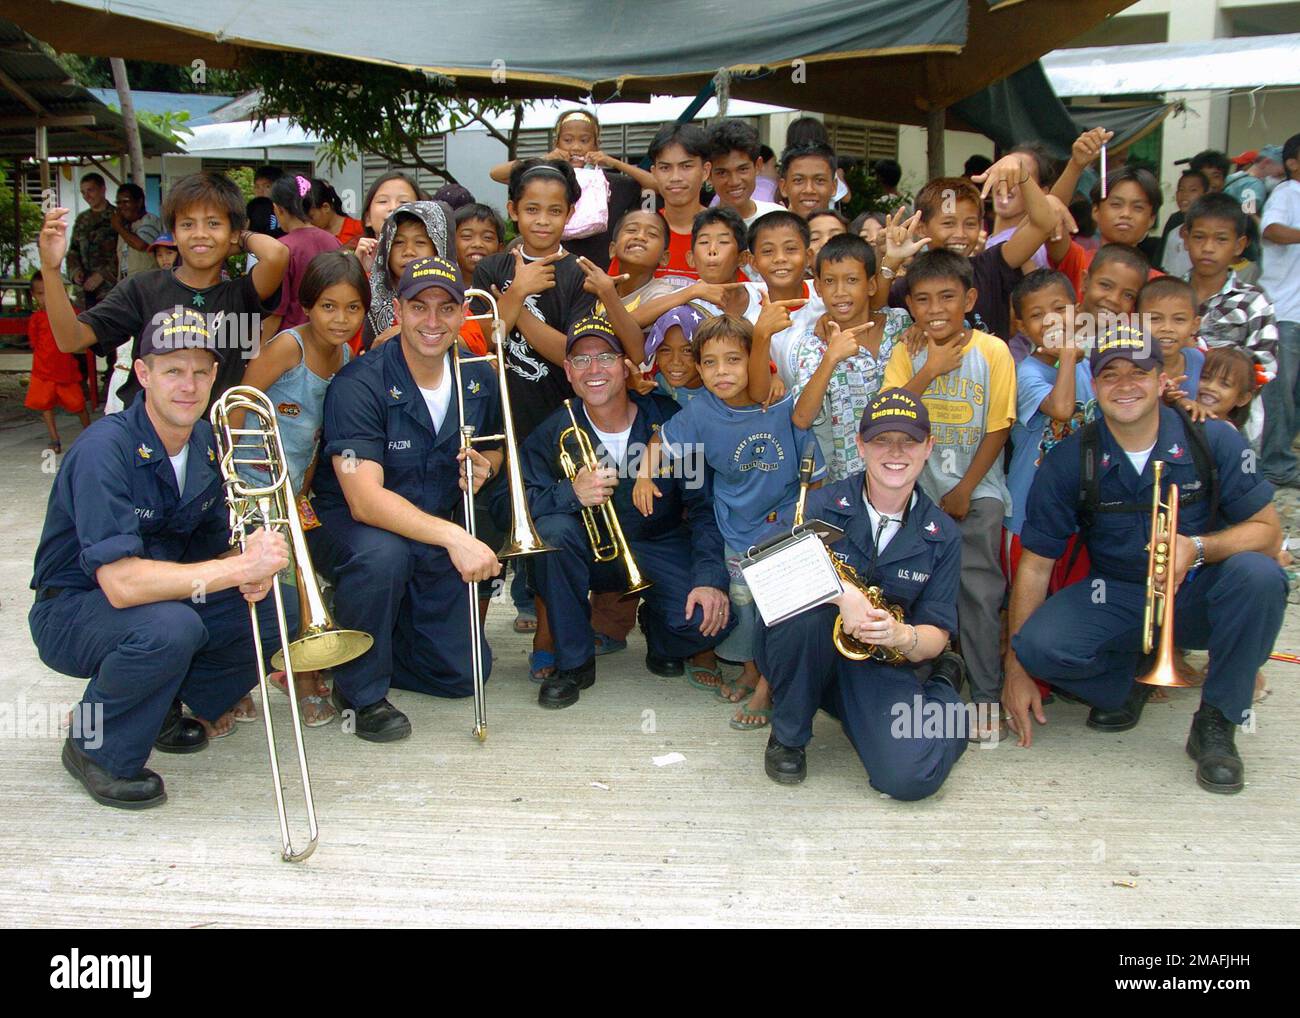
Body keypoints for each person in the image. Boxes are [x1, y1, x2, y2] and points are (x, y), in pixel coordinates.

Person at [1003, 325, 1286, 794]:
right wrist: (1016, 669)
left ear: (1162, 380)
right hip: (1118, 594)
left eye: (1140, 372)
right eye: (1110, 374)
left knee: (1260, 576)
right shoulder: (1073, 457)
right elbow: (1035, 565)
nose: (1125, 384)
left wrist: (1197, 548)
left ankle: (1217, 722)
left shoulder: (1213, 439)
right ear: (1094, 385)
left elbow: (1268, 531)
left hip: (1197, 591)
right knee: (1039, 646)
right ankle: (1132, 678)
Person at [28, 321, 293, 809]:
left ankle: (161, 703)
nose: (188, 385)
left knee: (283, 606)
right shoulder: (102, 450)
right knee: (170, 628)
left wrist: (250, 564)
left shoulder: (209, 444)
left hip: (163, 599)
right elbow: (122, 585)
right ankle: (95, 747)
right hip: (74, 609)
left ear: (215, 375)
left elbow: (215, 552)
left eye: (199, 371)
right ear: (143, 374)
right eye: (173, 371)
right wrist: (235, 570)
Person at [305, 257, 502, 742]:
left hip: (426, 523)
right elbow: (364, 502)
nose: (432, 322)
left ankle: (368, 630)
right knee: (382, 556)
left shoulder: (477, 375)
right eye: (419, 307)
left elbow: (495, 446)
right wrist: (455, 536)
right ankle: (360, 692)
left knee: (461, 676)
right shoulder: (359, 384)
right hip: (350, 526)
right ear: (397, 310)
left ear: (463, 315)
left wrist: (487, 465)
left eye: (446, 308)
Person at [757, 388, 968, 795]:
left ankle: (942, 696)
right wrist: (841, 595)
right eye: (881, 440)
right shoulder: (819, 506)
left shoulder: (943, 534)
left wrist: (899, 635)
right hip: (806, 651)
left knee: (908, 778)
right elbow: (762, 565)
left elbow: (935, 636)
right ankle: (789, 736)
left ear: (929, 447)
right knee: (806, 615)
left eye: (909, 441)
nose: (896, 452)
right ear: (860, 445)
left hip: (877, 665)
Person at [522, 316, 733, 707]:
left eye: (605, 357)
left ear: (626, 365)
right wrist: (570, 492)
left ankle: (658, 627)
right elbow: (519, 505)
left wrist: (709, 578)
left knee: (711, 622)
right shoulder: (553, 430)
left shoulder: (668, 418)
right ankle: (574, 664)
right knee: (552, 534)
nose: (594, 369)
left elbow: (704, 506)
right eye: (581, 361)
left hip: (658, 543)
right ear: (568, 371)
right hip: (586, 551)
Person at [636, 314, 827, 729]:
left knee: (780, 605)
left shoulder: (780, 405)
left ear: (756, 361)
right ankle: (752, 667)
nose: (721, 372)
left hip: (783, 526)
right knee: (744, 602)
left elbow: (817, 472)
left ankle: (766, 684)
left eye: (733, 360)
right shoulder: (701, 410)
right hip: (734, 523)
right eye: (709, 362)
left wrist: (810, 526)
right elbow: (660, 440)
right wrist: (645, 474)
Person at [884, 249, 1017, 736]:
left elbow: (998, 428)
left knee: (978, 594)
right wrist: (930, 368)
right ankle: (915, 690)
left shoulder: (993, 352)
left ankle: (985, 697)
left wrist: (964, 489)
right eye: (922, 299)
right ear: (911, 305)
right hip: (914, 495)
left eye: (947, 296)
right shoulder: (908, 350)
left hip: (976, 493)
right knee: (911, 591)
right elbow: (890, 414)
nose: (935, 308)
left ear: (970, 298)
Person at [239, 250, 368, 726]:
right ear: (307, 306)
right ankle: (294, 677)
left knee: (303, 579)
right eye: (328, 306)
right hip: (255, 485)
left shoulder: (348, 355)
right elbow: (238, 405)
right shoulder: (287, 348)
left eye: (353, 308)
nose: (340, 318)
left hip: (298, 490)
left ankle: (301, 669)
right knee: (283, 584)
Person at [39, 171, 290, 411]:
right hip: (148, 441)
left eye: (213, 223)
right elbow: (71, 339)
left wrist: (237, 237)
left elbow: (277, 255)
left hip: (214, 440)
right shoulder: (143, 288)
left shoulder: (241, 294)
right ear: (174, 234)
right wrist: (50, 269)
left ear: (233, 232)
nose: (200, 234)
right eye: (188, 224)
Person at [469, 158, 645, 436]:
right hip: (498, 415)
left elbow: (573, 353)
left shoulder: (580, 273)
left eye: (554, 211)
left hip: (561, 416)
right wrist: (516, 291)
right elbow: (484, 342)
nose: (542, 220)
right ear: (513, 211)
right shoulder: (491, 268)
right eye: (531, 209)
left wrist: (518, 309)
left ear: (570, 212)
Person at [876, 155, 1064, 341]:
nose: (961, 233)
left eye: (970, 224)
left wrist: (1022, 173)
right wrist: (888, 261)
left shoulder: (992, 265)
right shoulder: (909, 282)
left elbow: (1043, 224)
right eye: (949, 223)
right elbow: (874, 311)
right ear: (921, 228)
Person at [791, 234, 912, 480]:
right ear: (818, 288)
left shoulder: (900, 323)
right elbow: (802, 419)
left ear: (871, 285)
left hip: (909, 471)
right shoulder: (814, 345)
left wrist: (921, 329)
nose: (840, 292)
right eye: (829, 281)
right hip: (850, 482)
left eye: (852, 280)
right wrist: (830, 358)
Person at [490, 109, 654, 270]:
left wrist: (614, 162)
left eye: (584, 140)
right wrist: (546, 158)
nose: (576, 147)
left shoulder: (611, 183)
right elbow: (496, 174)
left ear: (597, 145)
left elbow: (655, 186)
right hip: (552, 270)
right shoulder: (546, 181)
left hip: (599, 270)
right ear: (557, 143)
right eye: (568, 140)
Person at [1004, 270, 1092, 551]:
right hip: (1027, 515)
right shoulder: (1026, 372)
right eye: (1037, 314)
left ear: (1077, 311)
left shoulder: (1094, 367)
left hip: (1078, 515)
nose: (1051, 320)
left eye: (1059, 309)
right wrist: (1067, 354)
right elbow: (1062, 409)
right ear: (1021, 325)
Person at [1259, 133, 1300, 487]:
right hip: (1285, 310)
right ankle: (1276, 464)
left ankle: (1283, 458)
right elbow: (1270, 229)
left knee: (1293, 392)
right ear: (1293, 163)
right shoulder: (1288, 193)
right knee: (1280, 391)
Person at [261, 174, 341, 343]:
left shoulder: (281, 248)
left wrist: (260, 350)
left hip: (291, 343)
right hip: (329, 339)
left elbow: (276, 312)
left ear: (278, 209)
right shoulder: (333, 240)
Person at [363, 200, 449, 348]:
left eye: (420, 242)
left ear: (438, 249)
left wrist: (405, 333)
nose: (409, 251)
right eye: (398, 242)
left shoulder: (451, 292)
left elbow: (472, 340)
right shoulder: (366, 292)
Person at [25, 272, 90, 453]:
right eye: (40, 293)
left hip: (66, 371)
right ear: (34, 296)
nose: (45, 298)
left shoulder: (70, 314)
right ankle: (54, 438)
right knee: (45, 405)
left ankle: (90, 435)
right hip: (43, 371)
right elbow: (35, 343)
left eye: (49, 292)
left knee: (78, 405)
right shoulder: (36, 319)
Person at [706, 119, 784, 226]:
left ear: (758, 166)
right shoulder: (701, 227)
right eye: (722, 173)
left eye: (743, 169)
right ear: (708, 174)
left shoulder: (778, 219)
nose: (734, 182)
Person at [1139, 276, 1205, 402]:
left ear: (1195, 326)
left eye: (1179, 319)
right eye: (1155, 318)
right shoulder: (1131, 363)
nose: (1167, 328)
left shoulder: (1197, 359)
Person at [66, 173, 118, 309]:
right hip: (84, 292)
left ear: (102, 189)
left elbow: (124, 254)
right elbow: (73, 250)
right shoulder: (82, 219)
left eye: (91, 190)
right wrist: (75, 272)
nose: (86, 196)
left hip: (110, 290)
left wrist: (103, 275)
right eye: (83, 192)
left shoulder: (117, 217)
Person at [1157, 170, 1209, 277]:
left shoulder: (1209, 233)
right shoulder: (1173, 233)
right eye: (1181, 190)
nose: (1185, 195)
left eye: (1193, 190)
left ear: (1205, 194)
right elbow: (1166, 268)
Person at [111, 183, 163, 282]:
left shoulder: (150, 220)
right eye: (118, 203)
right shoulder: (126, 226)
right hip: (128, 284)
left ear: (139, 202)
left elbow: (141, 245)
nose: (121, 207)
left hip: (147, 283)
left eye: (126, 202)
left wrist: (118, 226)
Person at [778, 143, 838, 220]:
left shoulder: (843, 231)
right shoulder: (768, 231)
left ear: (834, 187)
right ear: (783, 187)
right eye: (798, 180)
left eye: (819, 180)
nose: (809, 190)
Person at [452, 203, 505, 289]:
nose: (477, 244)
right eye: (467, 236)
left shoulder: (506, 287)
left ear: (500, 248)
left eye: (487, 237)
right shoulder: (442, 286)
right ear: (451, 244)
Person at [307, 179, 364, 251]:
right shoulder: (310, 236)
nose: (308, 222)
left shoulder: (358, 228)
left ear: (326, 207)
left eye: (311, 217)